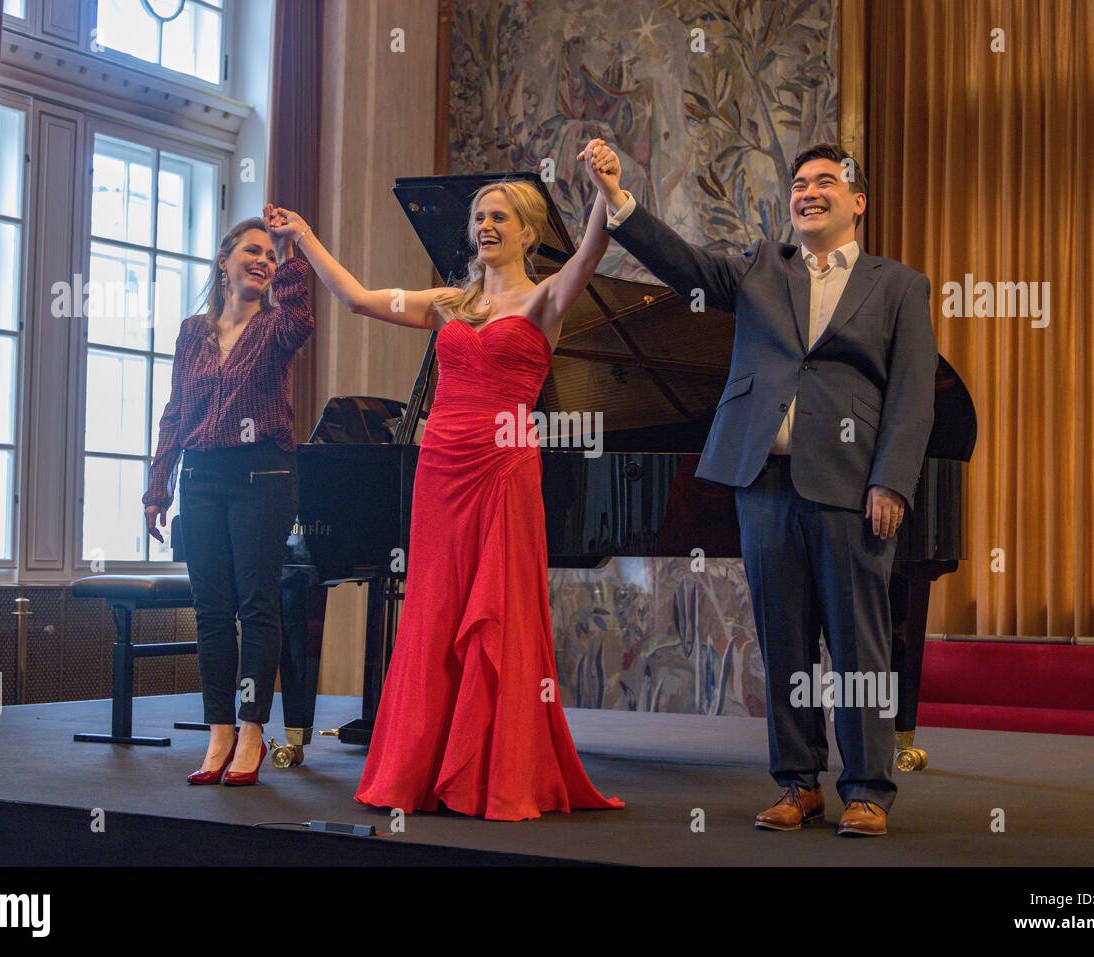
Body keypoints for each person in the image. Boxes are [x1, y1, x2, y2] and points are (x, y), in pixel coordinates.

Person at [579, 139, 936, 836]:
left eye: (825, 182)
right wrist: (618, 199)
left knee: (859, 645)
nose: (808, 192)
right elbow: (683, 264)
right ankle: (797, 783)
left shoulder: (898, 285)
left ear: (856, 202)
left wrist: (892, 480)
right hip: (763, 483)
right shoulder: (760, 270)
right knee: (783, 639)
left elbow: (913, 398)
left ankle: (866, 789)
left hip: (851, 486)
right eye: (800, 182)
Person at [265, 177, 625, 820]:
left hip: (504, 467)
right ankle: (425, 768)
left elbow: (591, 254)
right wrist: (306, 238)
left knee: (498, 612)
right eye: (480, 217)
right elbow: (355, 300)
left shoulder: (545, 299)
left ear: (527, 232)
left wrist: (605, 192)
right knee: (434, 610)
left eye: (500, 217)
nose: (485, 226)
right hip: (440, 469)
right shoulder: (445, 303)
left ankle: (495, 772)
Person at [143, 212, 313, 786]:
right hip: (202, 476)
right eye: (254, 251)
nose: (263, 260)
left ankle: (251, 730)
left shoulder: (275, 328)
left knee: (255, 607)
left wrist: (292, 250)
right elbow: (175, 411)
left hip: (263, 473)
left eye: (271, 254)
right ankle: (218, 729)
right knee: (210, 610)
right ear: (223, 261)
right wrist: (157, 483)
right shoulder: (193, 333)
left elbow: (302, 322)